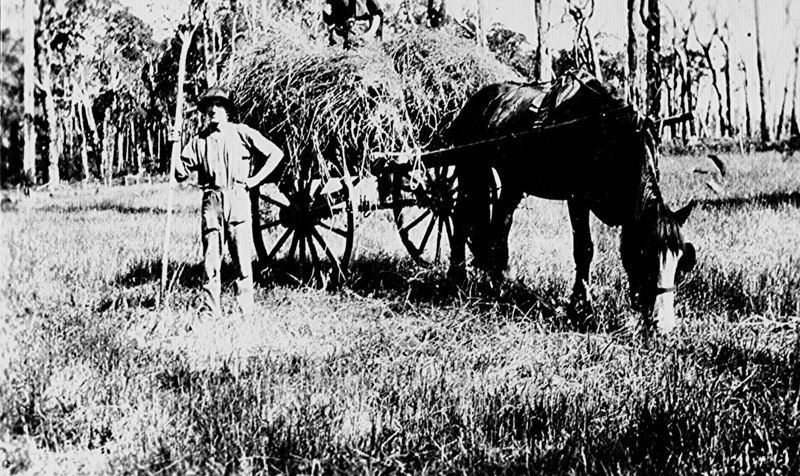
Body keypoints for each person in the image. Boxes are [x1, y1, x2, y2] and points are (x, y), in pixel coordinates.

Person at [169, 86, 284, 318]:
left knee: (242, 261)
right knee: (211, 263)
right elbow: (180, 173)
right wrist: (173, 146)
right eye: (209, 105)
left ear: (226, 109)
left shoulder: (242, 133)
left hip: (238, 199)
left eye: (218, 105)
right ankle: (211, 313)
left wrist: (254, 181)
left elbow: (276, 154)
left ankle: (246, 313)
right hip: (212, 201)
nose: (213, 109)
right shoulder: (198, 141)